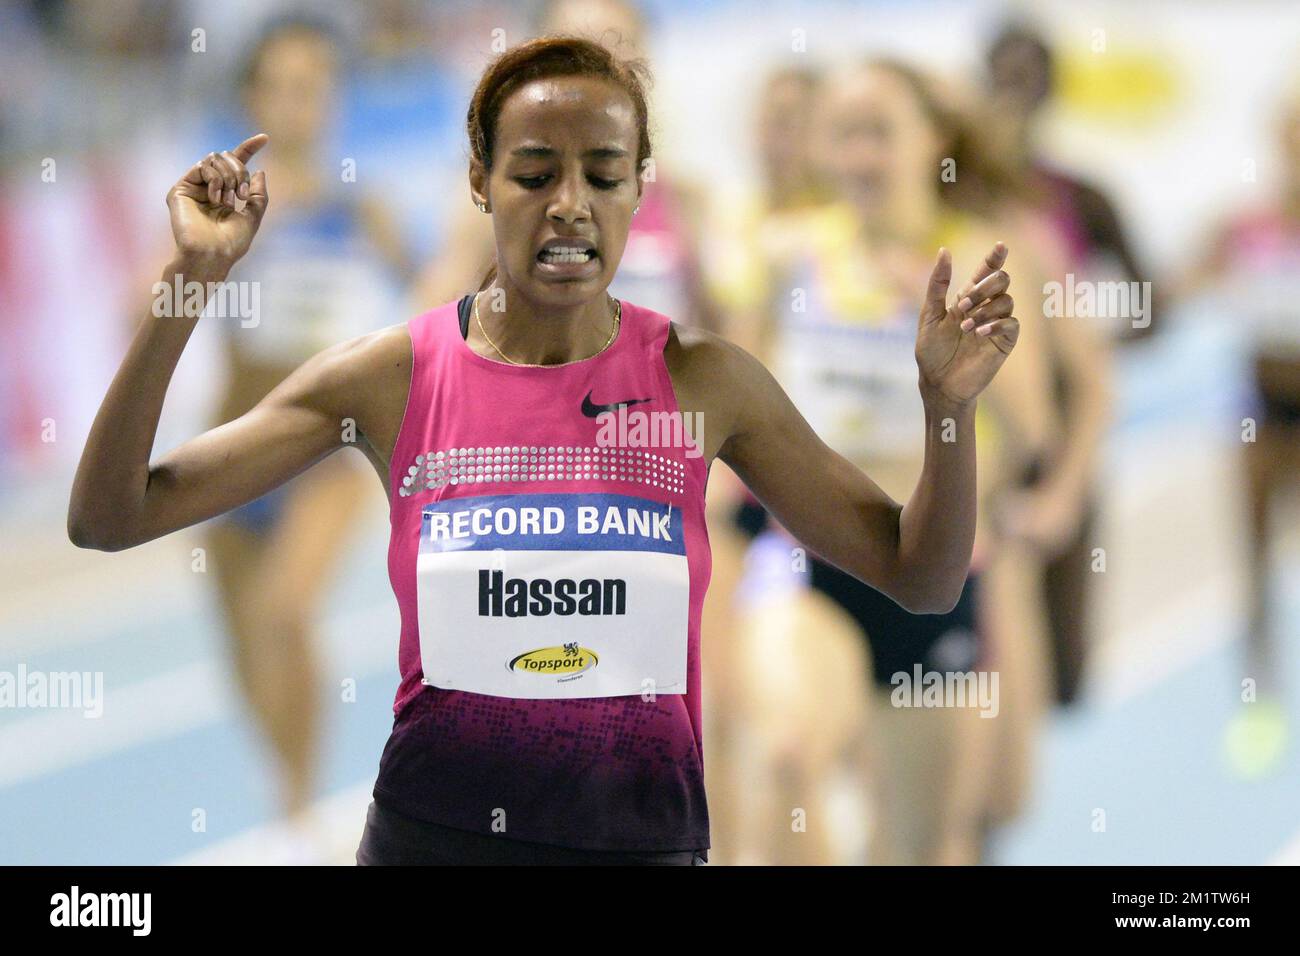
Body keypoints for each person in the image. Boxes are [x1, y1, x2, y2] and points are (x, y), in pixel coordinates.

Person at [68, 36, 1020, 865]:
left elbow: (921, 574)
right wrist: (187, 282)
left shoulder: (705, 385)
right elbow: (110, 517)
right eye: (533, 174)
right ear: (479, 180)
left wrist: (946, 409)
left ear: (639, 188)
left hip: (639, 847)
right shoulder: (388, 379)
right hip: (430, 846)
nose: (570, 205)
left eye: (604, 175)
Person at [724, 59, 1057, 865]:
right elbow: (732, 407)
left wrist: (964, 362)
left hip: (939, 575)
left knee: (924, 843)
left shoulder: (982, 257)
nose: (862, 157)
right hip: (807, 558)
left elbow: (1036, 431)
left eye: (881, 134)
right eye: (844, 136)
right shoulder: (785, 257)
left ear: (930, 140)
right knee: (784, 752)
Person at [204, 16, 409, 860]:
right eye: (284, 86)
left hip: (320, 456)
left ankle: (298, 818)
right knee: (249, 649)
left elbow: (442, 302)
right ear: (252, 99)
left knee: (287, 613)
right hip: (230, 454)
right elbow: (145, 303)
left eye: (317, 85)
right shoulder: (221, 204)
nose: (302, 103)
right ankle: (284, 788)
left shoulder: (363, 210)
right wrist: (202, 260)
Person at [1178, 81, 1300, 777]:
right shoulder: (1247, 226)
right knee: (1253, 559)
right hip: (1261, 413)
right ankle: (1261, 699)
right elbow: (1180, 280)